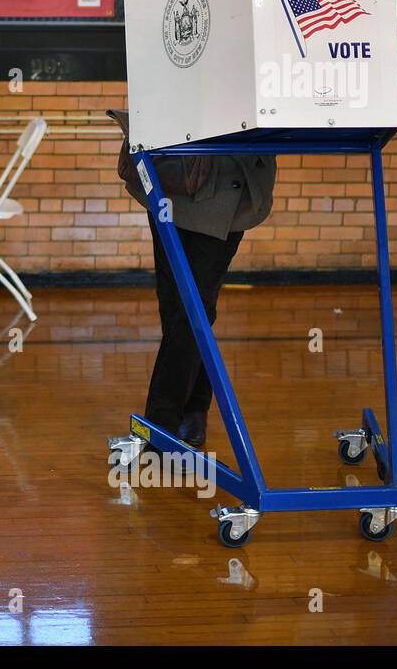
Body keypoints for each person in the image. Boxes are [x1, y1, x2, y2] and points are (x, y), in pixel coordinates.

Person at [111, 109, 277, 450]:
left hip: (225, 180)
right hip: (172, 174)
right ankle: (194, 407)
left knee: (193, 312)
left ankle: (161, 426)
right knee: (177, 307)